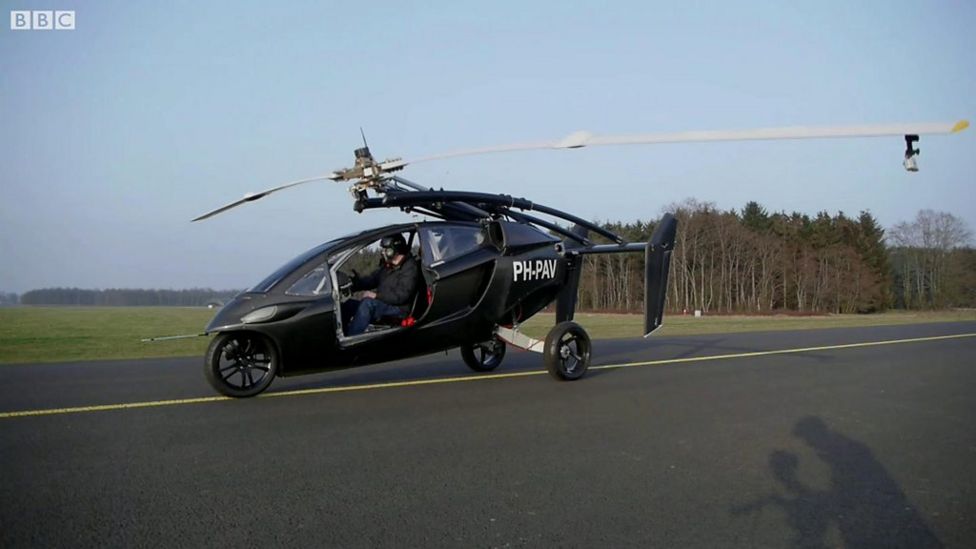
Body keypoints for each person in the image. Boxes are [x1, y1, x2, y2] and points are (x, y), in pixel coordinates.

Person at [341, 234, 421, 336]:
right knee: (347, 305)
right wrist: (353, 284)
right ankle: (341, 335)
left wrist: (377, 296)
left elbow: (401, 296)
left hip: (398, 309)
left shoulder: (410, 268)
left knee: (367, 304)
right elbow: (372, 280)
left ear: (395, 249)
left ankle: (351, 338)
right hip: (383, 303)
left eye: (386, 250)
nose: (383, 252)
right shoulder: (388, 266)